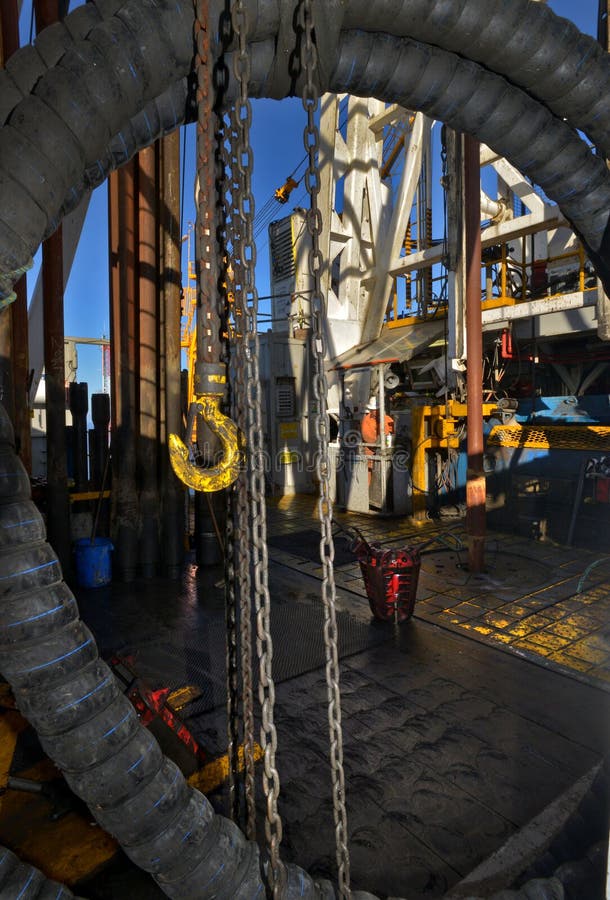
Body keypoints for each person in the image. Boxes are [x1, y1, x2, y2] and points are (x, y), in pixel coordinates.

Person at [360, 396, 394, 483]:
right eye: (373, 409)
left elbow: (393, 432)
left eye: (377, 409)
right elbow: (367, 437)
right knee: (370, 474)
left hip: (386, 451)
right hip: (371, 453)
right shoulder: (366, 420)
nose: (375, 411)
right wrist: (379, 443)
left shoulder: (387, 419)